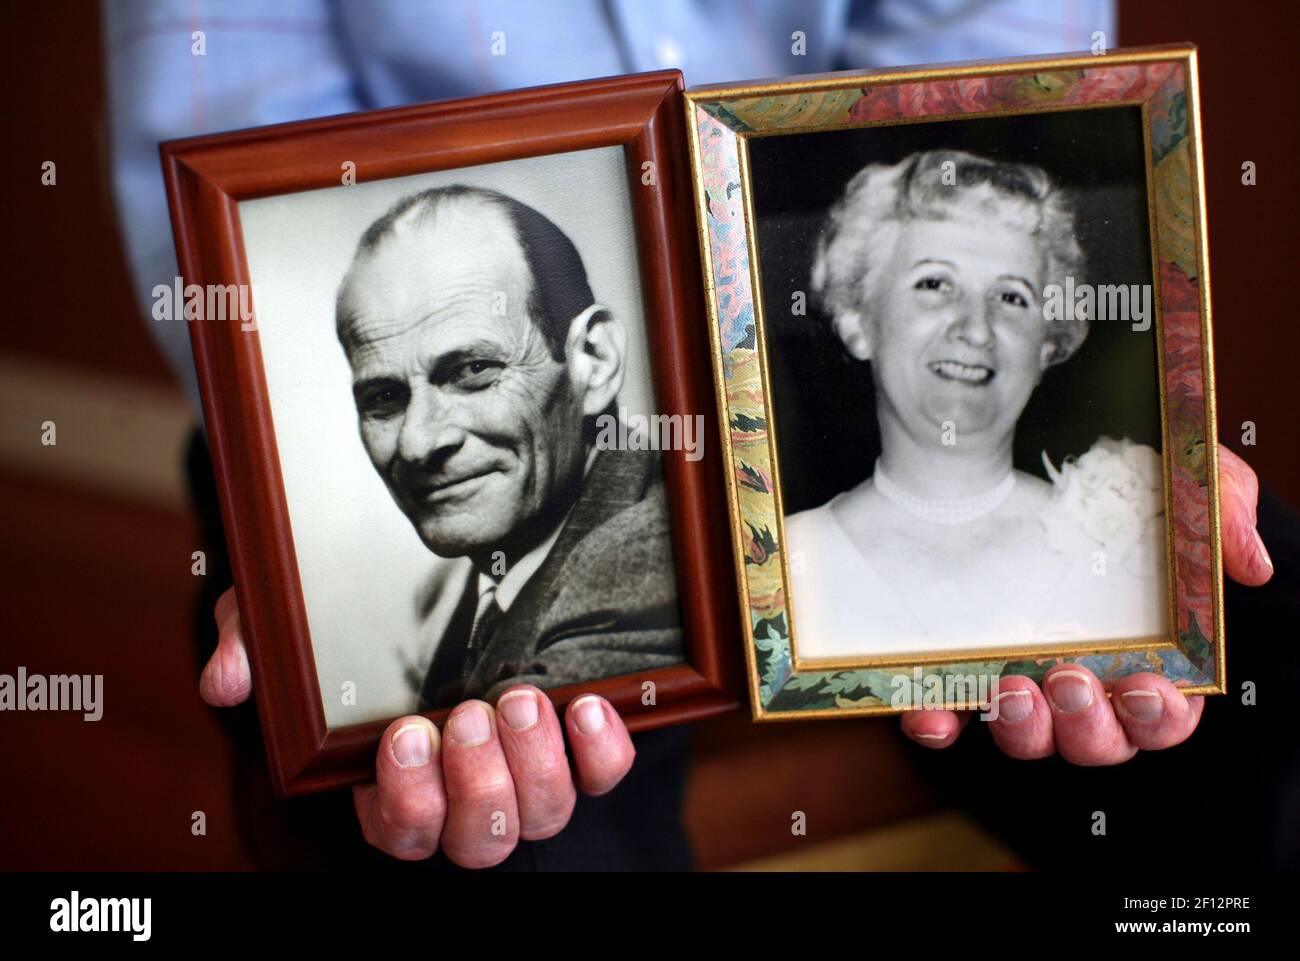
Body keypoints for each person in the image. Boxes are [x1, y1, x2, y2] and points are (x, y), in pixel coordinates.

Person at [105, 1, 1282, 869]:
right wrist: (286, 506)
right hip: (585, 458)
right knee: (471, 836)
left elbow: (976, 90)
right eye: (383, 397)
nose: (419, 437)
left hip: (811, 396)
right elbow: (243, 181)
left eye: (1016, 301)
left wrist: (1139, 453)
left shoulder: (1058, 472)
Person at [787, 149, 1165, 659]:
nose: (975, 329)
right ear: (858, 320)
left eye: (1011, 297)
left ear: (1046, 345)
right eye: (935, 284)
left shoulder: (1126, 547)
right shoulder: (785, 560)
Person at [335, 185, 682, 709]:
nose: (418, 442)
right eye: (385, 398)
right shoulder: (452, 588)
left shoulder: (650, 560)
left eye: (473, 371)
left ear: (594, 360)